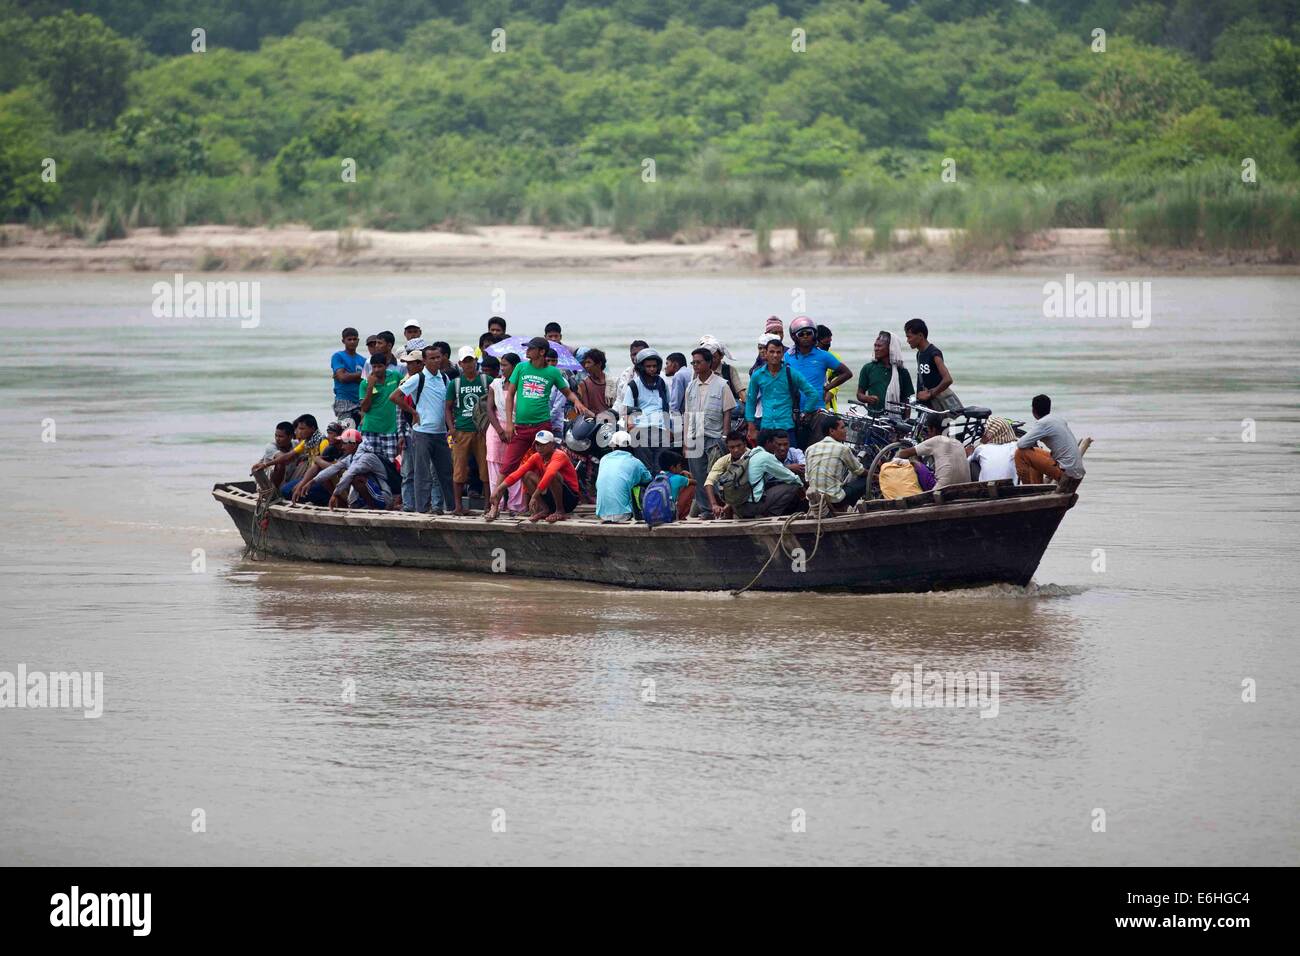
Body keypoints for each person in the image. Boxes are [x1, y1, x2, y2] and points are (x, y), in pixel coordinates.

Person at [503, 336, 590, 482]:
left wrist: (578, 403)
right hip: (521, 426)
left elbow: (567, 392)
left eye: (531, 348)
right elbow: (510, 395)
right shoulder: (520, 367)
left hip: (542, 424)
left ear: (542, 352)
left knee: (544, 465)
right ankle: (495, 501)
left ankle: (544, 501)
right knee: (508, 465)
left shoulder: (553, 372)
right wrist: (509, 423)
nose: (527, 350)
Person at [392, 346, 453, 513]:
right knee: (422, 473)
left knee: (445, 473)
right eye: (432, 358)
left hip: (441, 433)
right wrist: (413, 412)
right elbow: (394, 396)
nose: (436, 361)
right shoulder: (418, 378)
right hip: (422, 433)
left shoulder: (445, 378)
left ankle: (449, 508)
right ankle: (422, 510)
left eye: (438, 357)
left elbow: (448, 405)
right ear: (424, 361)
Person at [682, 347, 736, 517]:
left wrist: (725, 436)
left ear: (709, 363)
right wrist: (685, 441)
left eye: (698, 362)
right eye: (693, 363)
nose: (695, 366)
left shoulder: (722, 385)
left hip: (715, 436)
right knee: (698, 475)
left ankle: (723, 508)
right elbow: (687, 415)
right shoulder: (690, 387)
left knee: (716, 475)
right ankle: (706, 510)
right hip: (694, 436)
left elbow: (727, 412)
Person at [485, 430, 580, 523]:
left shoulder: (559, 455)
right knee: (527, 475)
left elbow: (550, 474)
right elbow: (518, 473)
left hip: (570, 499)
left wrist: (534, 496)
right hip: (551, 496)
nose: (539, 448)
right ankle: (545, 509)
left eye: (543, 445)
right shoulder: (536, 456)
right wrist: (498, 489)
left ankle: (560, 510)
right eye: (537, 444)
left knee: (553, 475)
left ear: (552, 445)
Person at [745, 339, 820, 448]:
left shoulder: (791, 373)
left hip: (786, 427)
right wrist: (751, 426)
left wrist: (806, 413)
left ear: (782, 354)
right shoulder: (758, 374)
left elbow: (813, 394)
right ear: (765, 353)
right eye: (771, 352)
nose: (775, 355)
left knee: (790, 459)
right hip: (766, 427)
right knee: (764, 462)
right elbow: (751, 401)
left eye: (778, 352)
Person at [448, 346, 491, 515]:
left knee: (485, 470)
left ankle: (488, 506)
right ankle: (458, 507)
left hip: (482, 431)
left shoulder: (486, 381)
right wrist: (452, 428)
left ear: (475, 361)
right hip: (462, 430)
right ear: (460, 363)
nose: (468, 364)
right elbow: (448, 407)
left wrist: (489, 427)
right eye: (465, 361)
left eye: (471, 360)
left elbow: (492, 405)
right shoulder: (455, 383)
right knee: (459, 470)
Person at [784, 316, 852, 418]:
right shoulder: (787, 356)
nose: (805, 336)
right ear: (794, 337)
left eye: (809, 333)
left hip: (818, 410)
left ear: (814, 334)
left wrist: (827, 388)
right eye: (801, 334)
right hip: (794, 410)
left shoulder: (824, 356)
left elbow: (847, 373)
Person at [485, 352, 526, 516]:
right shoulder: (495, 384)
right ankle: (497, 504)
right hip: (496, 427)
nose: (501, 368)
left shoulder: (522, 386)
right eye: (501, 365)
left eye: (505, 365)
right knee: (494, 466)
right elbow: (489, 409)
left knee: (515, 466)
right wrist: (500, 430)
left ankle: (516, 506)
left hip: (516, 427)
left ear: (515, 367)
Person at [620, 347, 672, 471]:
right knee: (646, 468)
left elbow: (666, 408)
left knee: (662, 468)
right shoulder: (633, 386)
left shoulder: (662, 384)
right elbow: (628, 412)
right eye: (648, 366)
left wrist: (669, 429)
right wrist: (632, 428)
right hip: (641, 430)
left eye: (654, 366)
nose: (652, 369)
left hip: (660, 430)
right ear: (641, 367)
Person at [1015, 395, 1085, 485]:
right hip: (1075, 469)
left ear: (1033, 410)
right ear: (1049, 408)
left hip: (1066, 471)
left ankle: (1027, 488)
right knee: (1035, 451)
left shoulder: (1043, 423)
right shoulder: (1058, 419)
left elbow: (1021, 444)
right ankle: (1036, 486)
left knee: (1020, 453)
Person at [804, 415, 868, 512]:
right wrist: (874, 476)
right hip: (835, 500)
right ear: (832, 431)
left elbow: (807, 479)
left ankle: (844, 507)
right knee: (866, 480)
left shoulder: (810, 449)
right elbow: (859, 471)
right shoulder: (843, 448)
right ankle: (845, 508)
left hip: (814, 500)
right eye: (842, 428)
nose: (845, 431)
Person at [737, 428, 804, 518]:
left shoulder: (749, 453)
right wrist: (803, 488)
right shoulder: (766, 456)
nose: (777, 447)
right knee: (794, 485)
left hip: (739, 504)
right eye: (775, 443)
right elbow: (790, 477)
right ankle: (771, 516)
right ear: (768, 442)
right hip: (751, 506)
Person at [904, 318, 961, 413]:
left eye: (909, 337)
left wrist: (930, 393)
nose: (907, 340)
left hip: (936, 407)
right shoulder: (919, 354)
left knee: (940, 427)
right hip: (925, 406)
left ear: (920, 335)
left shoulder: (934, 353)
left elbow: (948, 379)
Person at [896, 415, 969, 489]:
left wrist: (894, 462)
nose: (928, 435)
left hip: (941, 490)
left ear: (933, 429)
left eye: (928, 431)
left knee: (916, 463)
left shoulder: (936, 440)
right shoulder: (959, 443)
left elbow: (904, 453)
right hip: (964, 489)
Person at [324, 431, 391, 510]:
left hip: (382, 496)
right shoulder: (349, 458)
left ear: (353, 444)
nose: (342, 447)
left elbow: (350, 474)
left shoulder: (366, 457)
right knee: (337, 477)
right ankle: (360, 504)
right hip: (367, 495)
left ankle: (373, 506)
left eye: (344, 444)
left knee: (356, 478)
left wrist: (335, 494)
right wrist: (312, 481)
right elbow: (332, 469)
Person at [358, 343, 403, 460]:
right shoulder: (365, 383)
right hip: (370, 429)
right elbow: (365, 408)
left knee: (391, 462)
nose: (377, 370)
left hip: (390, 429)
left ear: (386, 365)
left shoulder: (395, 376)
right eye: (374, 367)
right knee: (369, 462)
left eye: (380, 366)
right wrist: (370, 387)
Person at [595, 431, 652, 523]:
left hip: (602, 514)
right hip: (623, 515)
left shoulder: (604, 459)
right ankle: (641, 514)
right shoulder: (635, 462)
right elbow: (648, 479)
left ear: (613, 446)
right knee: (638, 485)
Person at [394, 347, 425, 511]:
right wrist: (400, 434)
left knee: (425, 471)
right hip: (408, 433)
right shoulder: (404, 382)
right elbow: (399, 412)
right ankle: (408, 504)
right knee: (407, 472)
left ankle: (422, 504)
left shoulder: (427, 381)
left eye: (411, 363)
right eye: (407, 363)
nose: (408, 366)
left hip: (425, 432)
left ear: (420, 364)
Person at [857, 330, 915, 416]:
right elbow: (859, 394)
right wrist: (867, 398)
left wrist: (906, 422)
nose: (876, 349)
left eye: (879, 346)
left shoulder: (902, 372)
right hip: (874, 419)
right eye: (875, 346)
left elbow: (906, 401)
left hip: (897, 422)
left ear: (891, 348)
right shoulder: (868, 368)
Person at [702, 433, 752, 519]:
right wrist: (714, 505)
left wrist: (728, 505)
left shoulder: (754, 457)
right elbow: (709, 482)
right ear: (728, 447)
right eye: (732, 447)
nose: (736, 450)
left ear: (745, 444)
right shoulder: (724, 460)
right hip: (733, 495)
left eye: (739, 446)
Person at [331, 328, 366, 427]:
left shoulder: (363, 360)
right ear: (343, 341)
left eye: (354, 339)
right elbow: (342, 377)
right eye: (349, 339)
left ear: (358, 340)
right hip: (344, 401)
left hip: (360, 402)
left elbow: (366, 381)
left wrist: (348, 375)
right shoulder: (338, 356)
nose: (352, 342)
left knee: (359, 436)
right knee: (346, 435)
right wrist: (360, 375)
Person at [967, 416, 1019, 483]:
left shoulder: (982, 448)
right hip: (1011, 488)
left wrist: (969, 453)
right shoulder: (1015, 446)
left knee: (973, 462)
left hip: (986, 489)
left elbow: (967, 461)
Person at [655, 449, 694, 519]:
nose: (681, 468)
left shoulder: (657, 477)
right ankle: (681, 515)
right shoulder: (678, 478)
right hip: (670, 514)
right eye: (679, 466)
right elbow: (695, 482)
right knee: (691, 486)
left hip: (656, 514)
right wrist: (688, 474)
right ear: (673, 468)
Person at [576, 348, 616, 417]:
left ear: (599, 364)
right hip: (594, 420)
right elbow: (586, 408)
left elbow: (617, 405)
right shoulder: (584, 384)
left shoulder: (612, 382)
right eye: (585, 363)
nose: (586, 366)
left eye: (589, 362)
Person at [816, 325, 846, 412]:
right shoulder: (808, 357)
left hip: (829, 407)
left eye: (830, 342)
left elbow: (838, 378)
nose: (829, 345)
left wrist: (830, 392)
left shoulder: (834, 358)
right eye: (826, 342)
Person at [614, 339, 649, 406]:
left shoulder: (657, 375)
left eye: (640, 353)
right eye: (634, 354)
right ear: (630, 356)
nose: (636, 357)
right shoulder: (626, 373)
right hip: (627, 412)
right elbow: (619, 399)